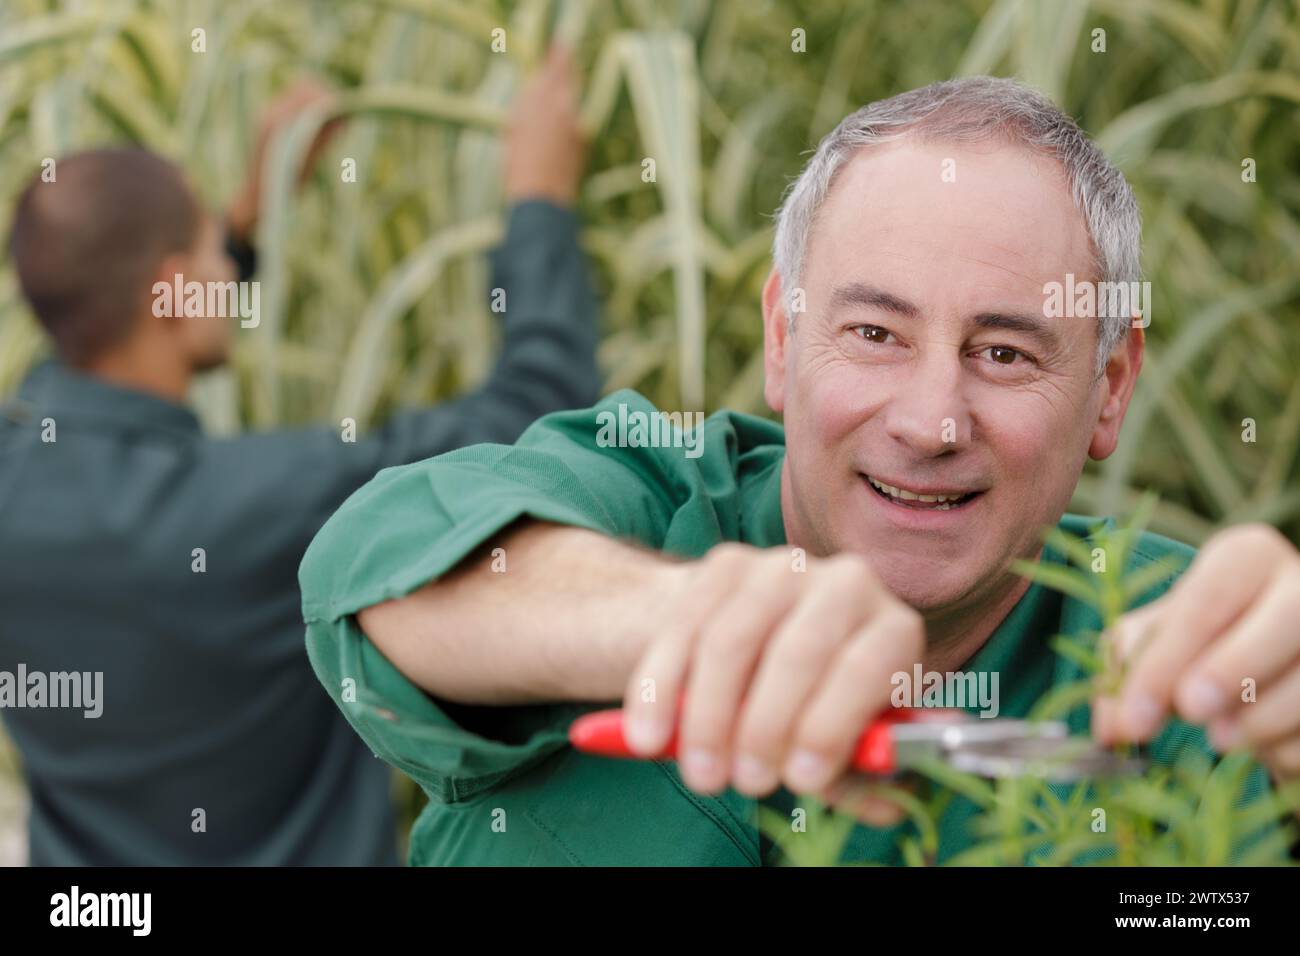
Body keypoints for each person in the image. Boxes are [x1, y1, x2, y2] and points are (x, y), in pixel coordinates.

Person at [299, 76, 1300, 866]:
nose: (930, 419)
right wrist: (685, 627)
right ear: (783, 338)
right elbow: (375, 577)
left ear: (1111, 388)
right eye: (873, 332)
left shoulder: (1184, 654)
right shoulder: (640, 503)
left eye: (1004, 353)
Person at [0, 46, 598, 865]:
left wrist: (245, 219)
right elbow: (536, 412)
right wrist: (539, 199)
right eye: (209, 253)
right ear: (174, 289)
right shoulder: (273, 504)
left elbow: (147, 310)